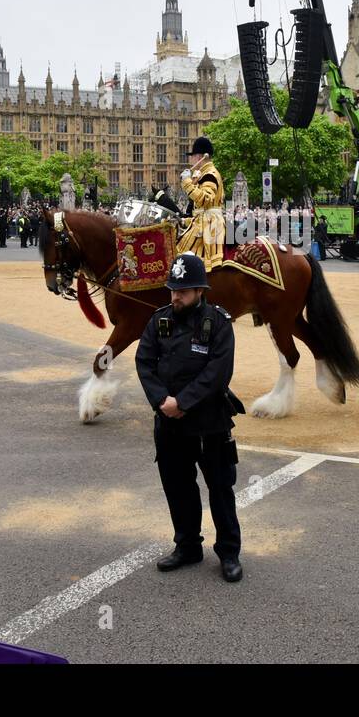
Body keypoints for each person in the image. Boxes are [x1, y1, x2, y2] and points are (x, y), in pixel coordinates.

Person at [134, 253, 242, 582]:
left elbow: (217, 373)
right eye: (173, 290)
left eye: (182, 291)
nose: (175, 296)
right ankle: (187, 546)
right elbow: (144, 361)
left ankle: (228, 552)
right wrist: (161, 401)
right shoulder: (160, 320)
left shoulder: (218, 323)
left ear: (199, 291)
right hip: (169, 421)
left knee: (220, 488)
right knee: (178, 486)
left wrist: (183, 402)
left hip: (209, 422)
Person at [177, 137, 226, 271]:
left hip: (210, 223)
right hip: (204, 220)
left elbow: (205, 200)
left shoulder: (210, 174)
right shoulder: (203, 174)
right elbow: (200, 210)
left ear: (200, 156)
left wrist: (187, 182)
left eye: (192, 156)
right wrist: (184, 221)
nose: (191, 160)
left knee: (183, 257)